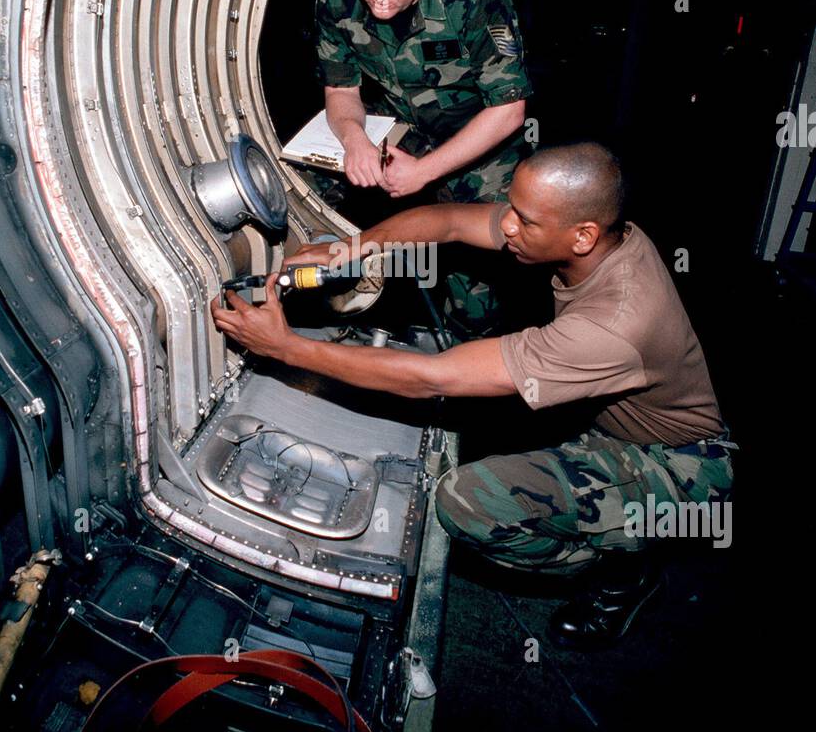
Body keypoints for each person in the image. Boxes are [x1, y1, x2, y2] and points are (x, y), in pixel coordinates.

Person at [210, 143, 735, 652]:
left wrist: (286, 348)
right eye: (513, 209)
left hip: (678, 463)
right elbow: (450, 222)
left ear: (582, 236)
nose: (508, 225)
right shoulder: (598, 234)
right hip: (607, 417)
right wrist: (354, 248)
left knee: (467, 502)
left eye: (525, 222)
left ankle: (623, 568)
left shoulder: (615, 324)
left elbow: (431, 377)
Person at [312, 0, 533, 337]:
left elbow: (508, 111)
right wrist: (355, 140)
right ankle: (331, 291)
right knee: (309, 181)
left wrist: (425, 173)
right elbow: (340, 90)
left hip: (481, 141)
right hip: (403, 127)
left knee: (481, 272)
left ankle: (465, 354)